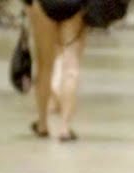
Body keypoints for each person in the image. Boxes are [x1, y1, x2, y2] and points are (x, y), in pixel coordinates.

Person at [25, 0, 88, 141]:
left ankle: (42, 124)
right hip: (75, 6)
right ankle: (65, 127)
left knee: (44, 67)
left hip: (43, 4)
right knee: (71, 66)